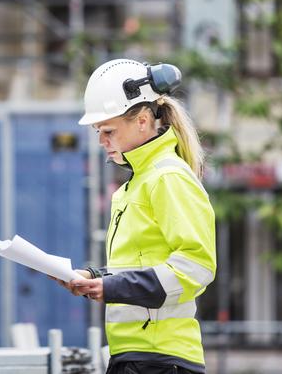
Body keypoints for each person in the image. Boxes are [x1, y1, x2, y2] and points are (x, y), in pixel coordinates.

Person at [56, 58, 216, 374]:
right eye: (98, 132)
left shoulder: (167, 177)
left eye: (108, 131)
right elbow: (140, 267)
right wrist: (95, 278)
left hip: (159, 360)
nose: (102, 141)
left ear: (142, 120)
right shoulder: (138, 183)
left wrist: (112, 287)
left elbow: (197, 267)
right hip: (139, 357)